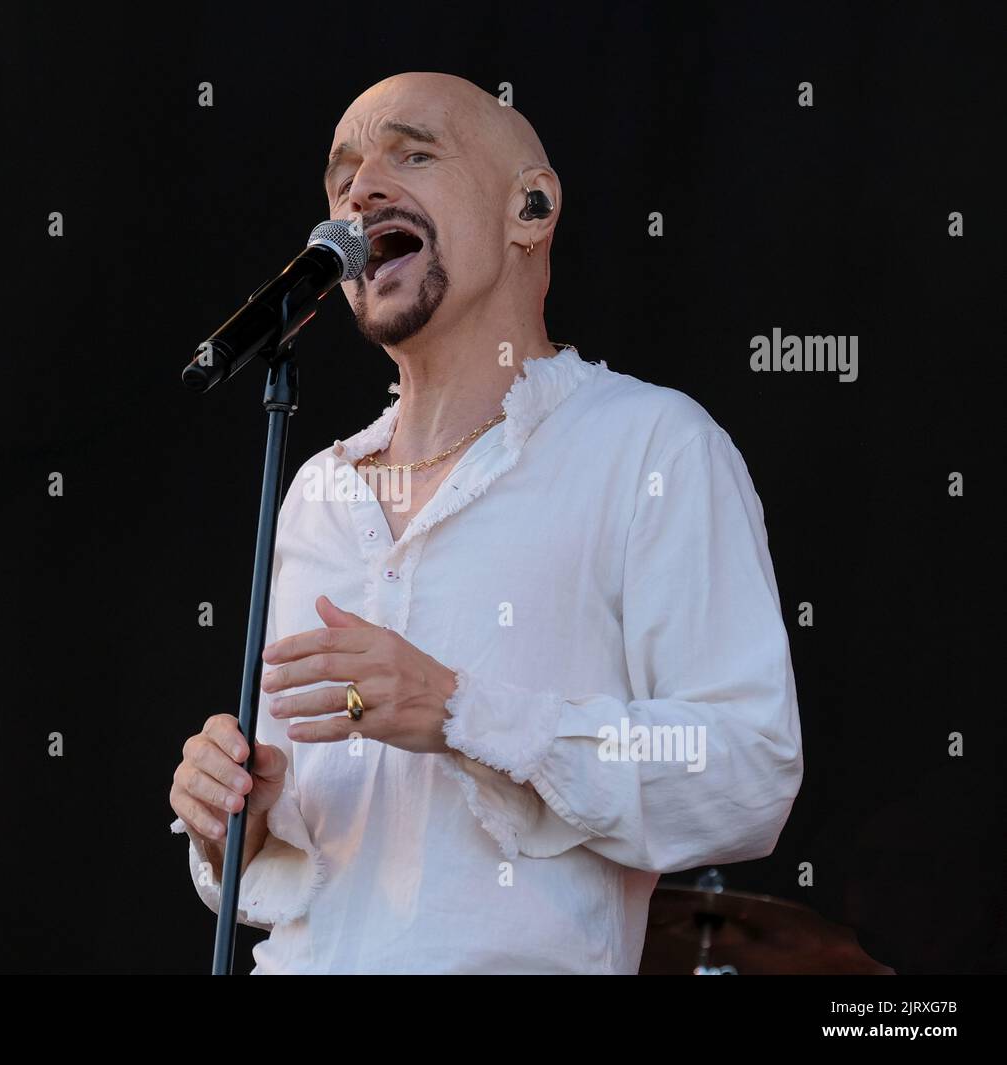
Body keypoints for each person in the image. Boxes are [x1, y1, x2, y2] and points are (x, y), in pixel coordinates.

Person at [168, 71, 803, 974]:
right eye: (342, 173)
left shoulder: (650, 446)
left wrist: (464, 711)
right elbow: (300, 856)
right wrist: (239, 815)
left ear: (530, 209)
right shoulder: (316, 489)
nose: (360, 190)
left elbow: (744, 769)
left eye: (412, 153)